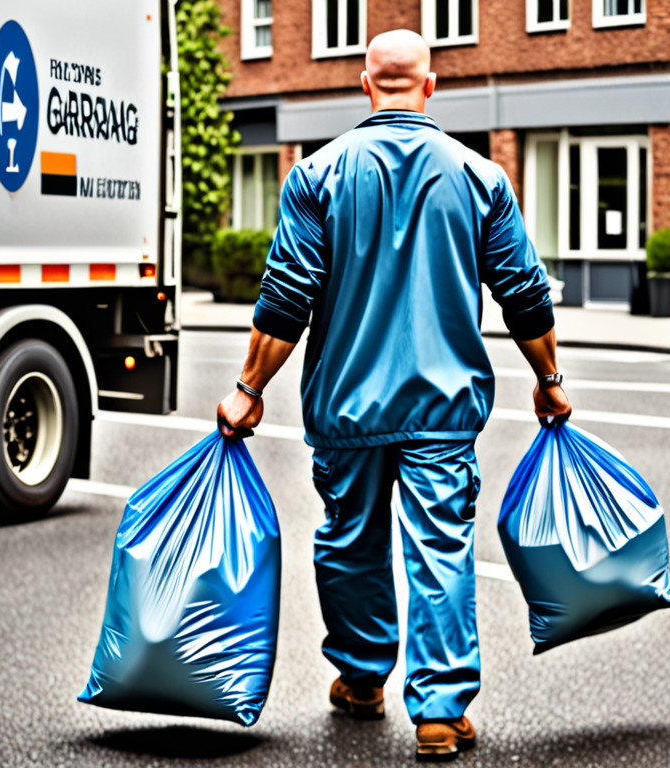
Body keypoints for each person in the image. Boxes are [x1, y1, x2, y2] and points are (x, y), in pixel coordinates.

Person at [217, 28, 572, 762]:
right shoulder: (480, 178)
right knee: (441, 548)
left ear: (364, 82)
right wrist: (550, 381)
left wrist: (249, 389)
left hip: (347, 407)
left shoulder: (317, 175)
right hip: (441, 411)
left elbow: (287, 298)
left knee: (349, 543)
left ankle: (360, 678)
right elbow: (525, 297)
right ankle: (440, 715)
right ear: (432, 86)